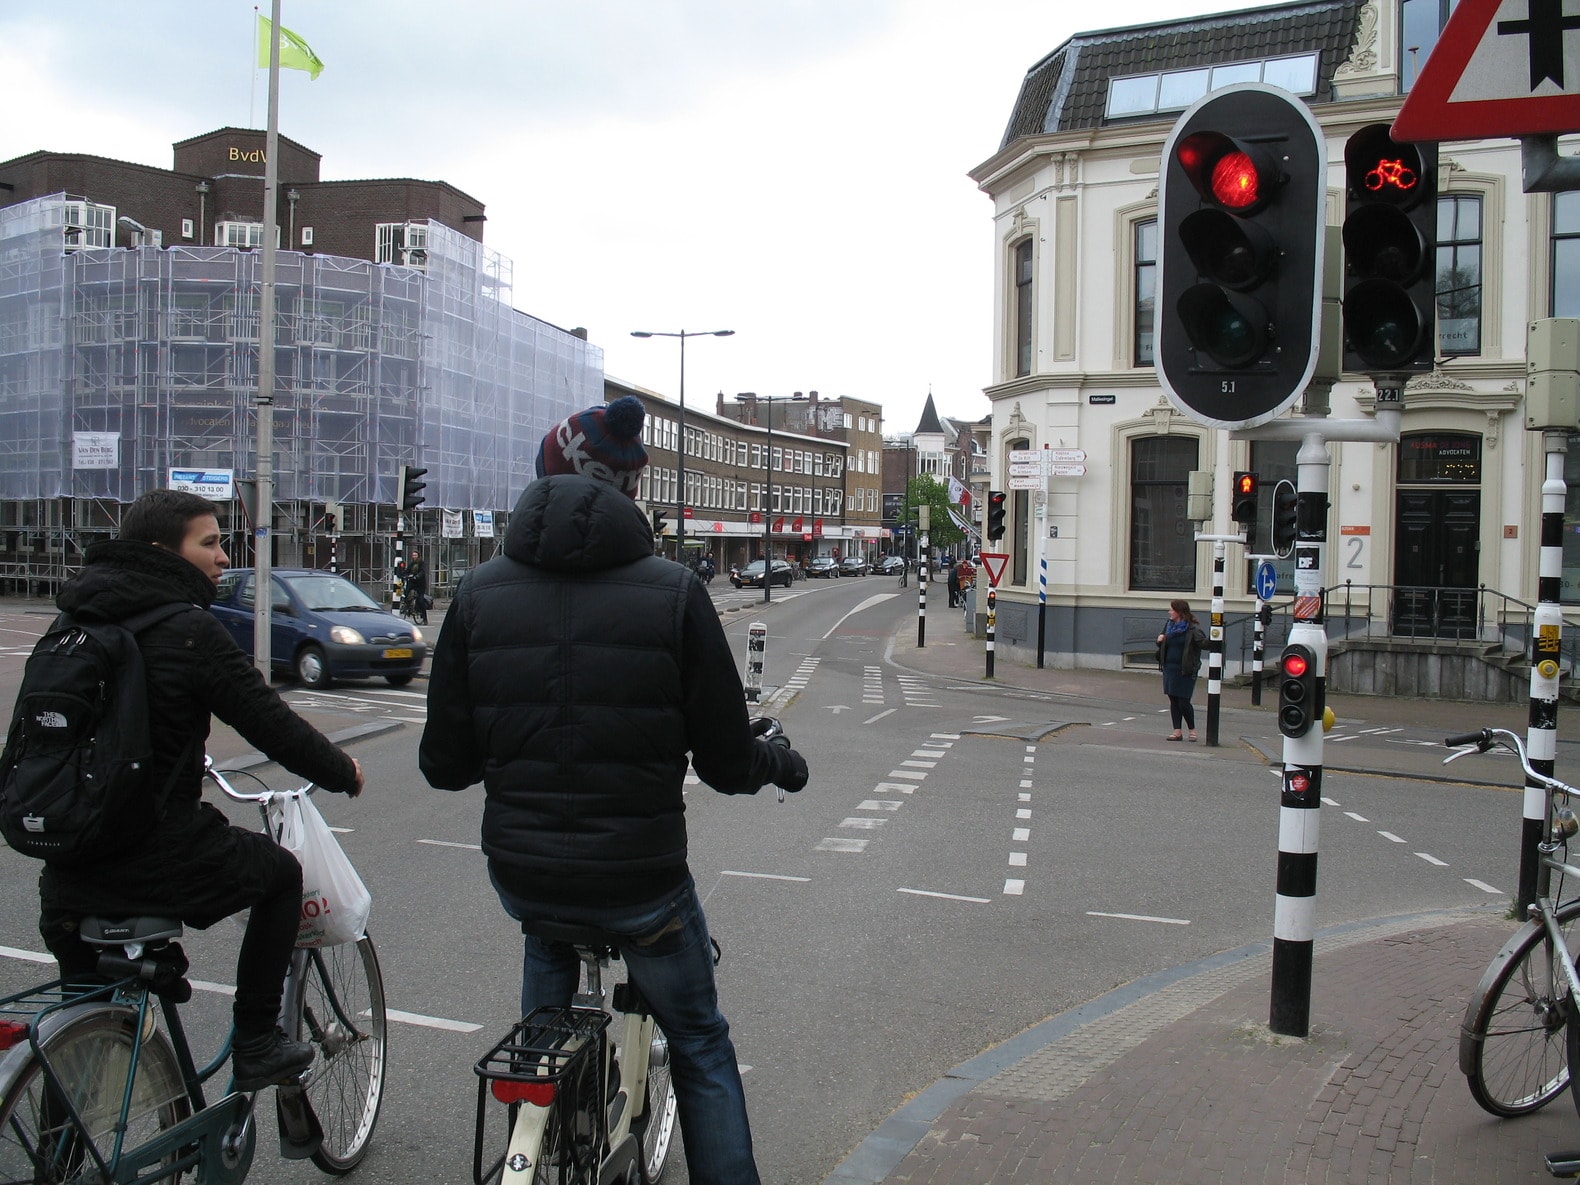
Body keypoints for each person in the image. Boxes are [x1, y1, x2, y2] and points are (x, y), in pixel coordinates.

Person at [419, 396, 808, 1185]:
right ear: (631, 492)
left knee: (542, 1002)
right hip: (641, 880)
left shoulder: (477, 595)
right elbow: (731, 763)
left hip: (526, 874)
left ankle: (543, 1122)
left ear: (545, 474)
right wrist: (778, 762)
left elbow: (443, 765)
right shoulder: (673, 592)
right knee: (698, 1039)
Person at [36, 489, 364, 1090]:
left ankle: (64, 1148)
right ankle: (257, 1041)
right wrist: (343, 771)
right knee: (280, 875)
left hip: (67, 869)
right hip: (151, 854)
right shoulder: (189, 630)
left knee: (76, 1039)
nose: (222, 558)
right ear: (164, 551)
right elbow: (270, 722)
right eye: (209, 543)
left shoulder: (71, 623)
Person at [1156, 598, 1207, 742]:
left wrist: (1217, 638)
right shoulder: (1169, 625)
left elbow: (1202, 643)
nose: (1169, 612)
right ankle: (1177, 731)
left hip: (1185, 669)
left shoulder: (1191, 629)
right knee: (1173, 700)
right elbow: (1161, 643)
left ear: (1179, 612)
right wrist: (1159, 640)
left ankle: (1192, 730)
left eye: (1171, 609)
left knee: (1184, 701)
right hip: (1169, 668)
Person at [404, 548, 429, 625]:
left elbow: (422, 571)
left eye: (415, 555)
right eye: (413, 555)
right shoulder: (411, 564)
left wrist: (417, 576)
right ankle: (408, 607)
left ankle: (424, 618)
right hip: (412, 582)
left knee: (420, 600)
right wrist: (403, 575)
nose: (414, 556)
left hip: (420, 583)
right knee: (406, 593)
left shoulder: (421, 563)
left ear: (418, 556)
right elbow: (407, 571)